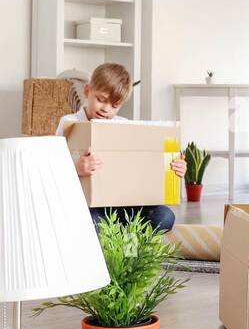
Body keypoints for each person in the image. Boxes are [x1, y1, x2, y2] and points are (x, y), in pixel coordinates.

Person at [55, 62, 186, 233]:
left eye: (114, 106)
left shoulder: (123, 127)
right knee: (92, 223)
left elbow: (147, 163)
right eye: (100, 100)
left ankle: (124, 245)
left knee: (164, 216)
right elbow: (53, 167)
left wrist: (174, 167)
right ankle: (124, 245)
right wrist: (76, 168)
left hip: (124, 205)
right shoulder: (70, 123)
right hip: (90, 206)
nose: (105, 109)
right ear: (87, 91)